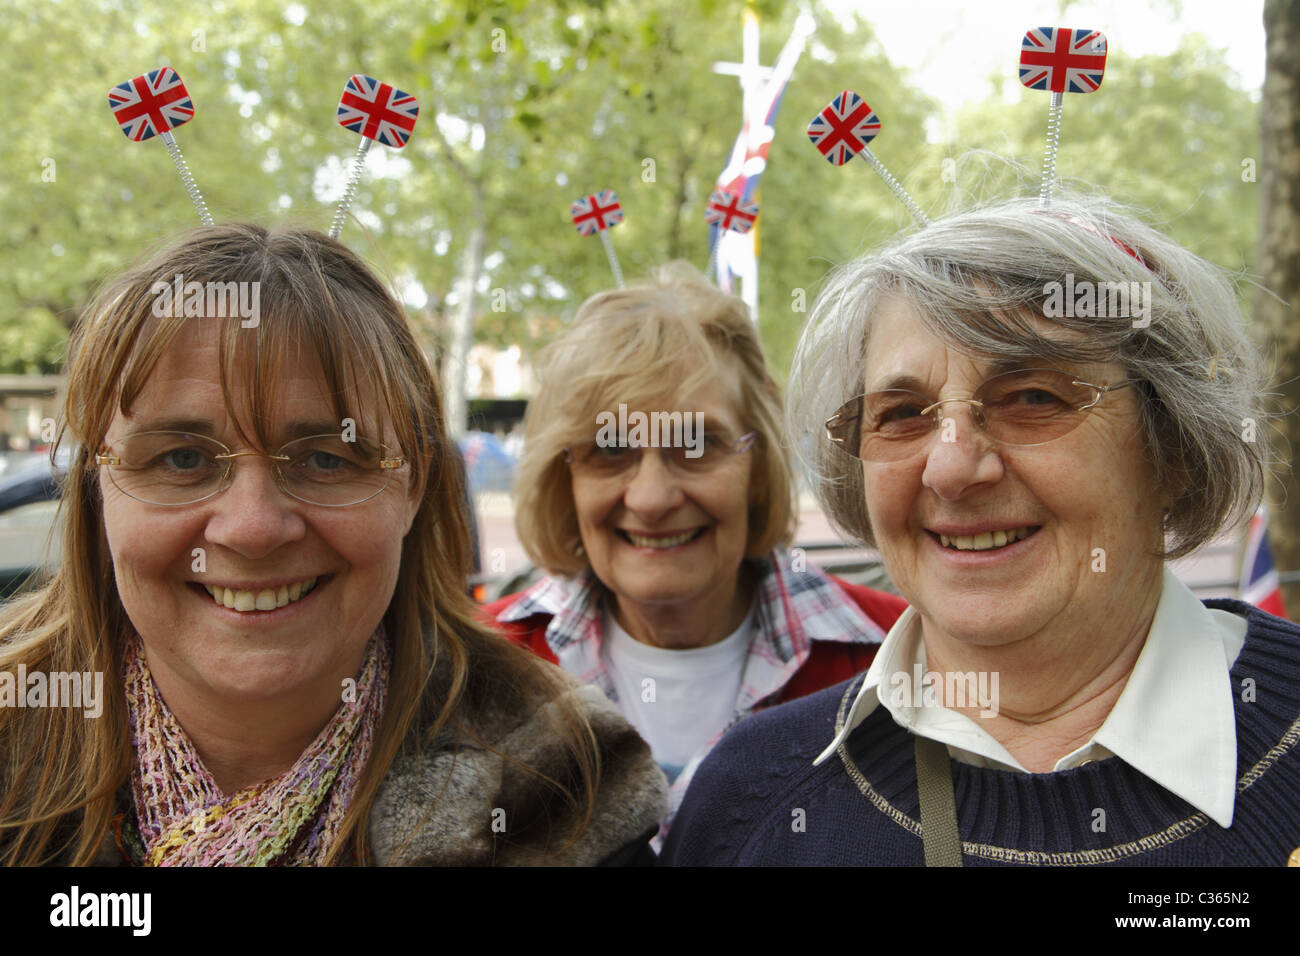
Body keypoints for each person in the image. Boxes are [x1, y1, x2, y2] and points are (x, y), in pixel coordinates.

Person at [0, 224, 667, 866]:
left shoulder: (562, 787)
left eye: (324, 460)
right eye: (181, 459)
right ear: (96, 486)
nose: (253, 528)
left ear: (414, 486)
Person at [662, 196, 1300, 866]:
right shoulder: (750, 802)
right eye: (903, 412)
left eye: (1032, 398)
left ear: (1172, 445)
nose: (952, 466)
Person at [484, 262, 907, 829]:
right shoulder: (470, 669)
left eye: (698, 444)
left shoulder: (901, 659)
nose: (653, 497)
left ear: (758, 466)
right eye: (611, 451)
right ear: (564, 478)